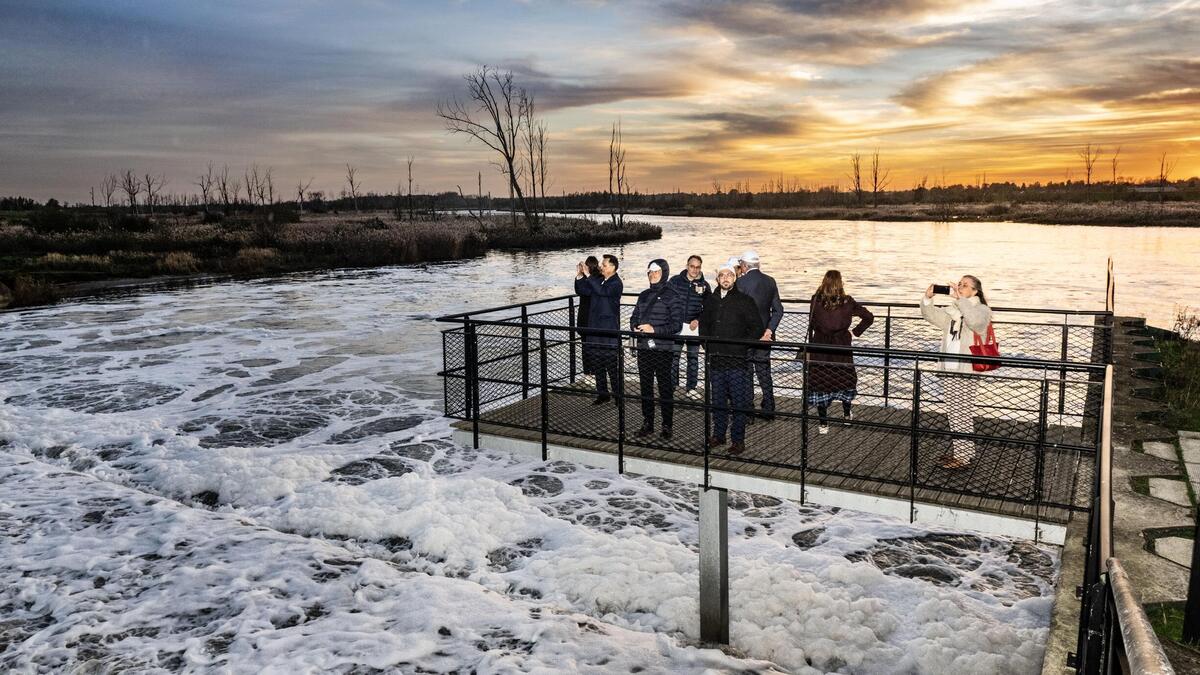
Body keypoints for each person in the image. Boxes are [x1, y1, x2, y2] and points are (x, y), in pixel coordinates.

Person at [920, 275, 993, 469]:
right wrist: (928, 299)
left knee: (962, 411)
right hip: (949, 369)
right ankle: (962, 453)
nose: (959, 286)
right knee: (954, 412)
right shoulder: (954, 312)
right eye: (959, 284)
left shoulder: (982, 310)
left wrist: (960, 301)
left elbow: (975, 322)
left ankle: (963, 456)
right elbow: (930, 315)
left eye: (965, 285)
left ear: (975, 291)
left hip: (966, 370)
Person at [699, 260, 764, 455]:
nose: (725, 279)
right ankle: (718, 435)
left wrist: (742, 344)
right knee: (717, 402)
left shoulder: (745, 301)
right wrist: (707, 345)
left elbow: (757, 328)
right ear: (717, 279)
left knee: (738, 403)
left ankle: (738, 440)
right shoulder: (710, 301)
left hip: (737, 360)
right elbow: (703, 326)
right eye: (722, 276)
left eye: (729, 275)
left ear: (734, 278)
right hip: (716, 360)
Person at [806, 270, 874, 434]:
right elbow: (869, 317)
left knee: (821, 381)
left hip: (820, 346)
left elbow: (812, 323)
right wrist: (855, 332)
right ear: (840, 283)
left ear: (824, 282)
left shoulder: (815, 300)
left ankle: (823, 423)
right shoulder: (847, 301)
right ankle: (846, 415)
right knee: (844, 379)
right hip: (841, 346)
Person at [630, 258, 683, 439]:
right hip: (644, 348)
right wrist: (635, 327)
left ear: (664, 273)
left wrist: (654, 330)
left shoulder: (673, 295)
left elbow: (677, 326)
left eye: (657, 271)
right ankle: (648, 423)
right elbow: (634, 317)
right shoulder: (643, 295)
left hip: (662, 349)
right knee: (645, 388)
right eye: (650, 272)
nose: (653, 275)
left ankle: (667, 425)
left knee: (665, 388)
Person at [734, 250, 784, 420]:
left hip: (746, 337)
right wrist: (769, 331)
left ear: (745, 265)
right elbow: (779, 310)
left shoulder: (740, 282)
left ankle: (749, 412)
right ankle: (769, 409)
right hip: (765, 337)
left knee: (747, 372)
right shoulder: (770, 281)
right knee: (764, 371)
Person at [574, 254, 623, 405]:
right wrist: (580, 276)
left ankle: (618, 397)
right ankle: (603, 394)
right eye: (602, 264)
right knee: (597, 364)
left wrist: (589, 275)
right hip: (594, 328)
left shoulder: (616, 283)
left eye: (605, 265)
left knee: (611, 366)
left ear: (613, 267)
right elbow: (583, 290)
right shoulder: (599, 280)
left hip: (608, 331)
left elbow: (603, 292)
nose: (601, 266)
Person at [668, 254, 711, 395]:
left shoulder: (705, 286)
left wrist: (698, 320)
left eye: (698, 267)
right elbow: (667, 302)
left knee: (693, 358)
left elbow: (709, 309)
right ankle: (672, 387)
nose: (695, 270)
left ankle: (691, 388)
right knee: (674, 357)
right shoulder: (674, 281)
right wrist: (674, 319)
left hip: (694, 327)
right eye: (692, 266)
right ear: (687, 266)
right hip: (677, 326)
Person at [576, 255, 602, 378]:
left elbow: (588, 292)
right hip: (585, 318)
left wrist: (586, 276)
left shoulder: (599, 278)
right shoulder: (587, 278)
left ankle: (596, 373)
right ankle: (587, 373)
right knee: (585, 347)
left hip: (594, 319)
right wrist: (579, 275)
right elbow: (579, 291)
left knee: (594, 347)